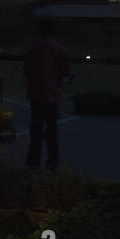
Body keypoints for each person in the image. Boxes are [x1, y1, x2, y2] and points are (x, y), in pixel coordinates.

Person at [24, 17, 72, 170]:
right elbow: (64, 73)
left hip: (36, 94)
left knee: (36, 129)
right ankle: (52, 161)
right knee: (52, 130)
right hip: (53, 95)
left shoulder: (33, 48)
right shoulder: (59, 49)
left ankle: (33, 162)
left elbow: (27, 71)